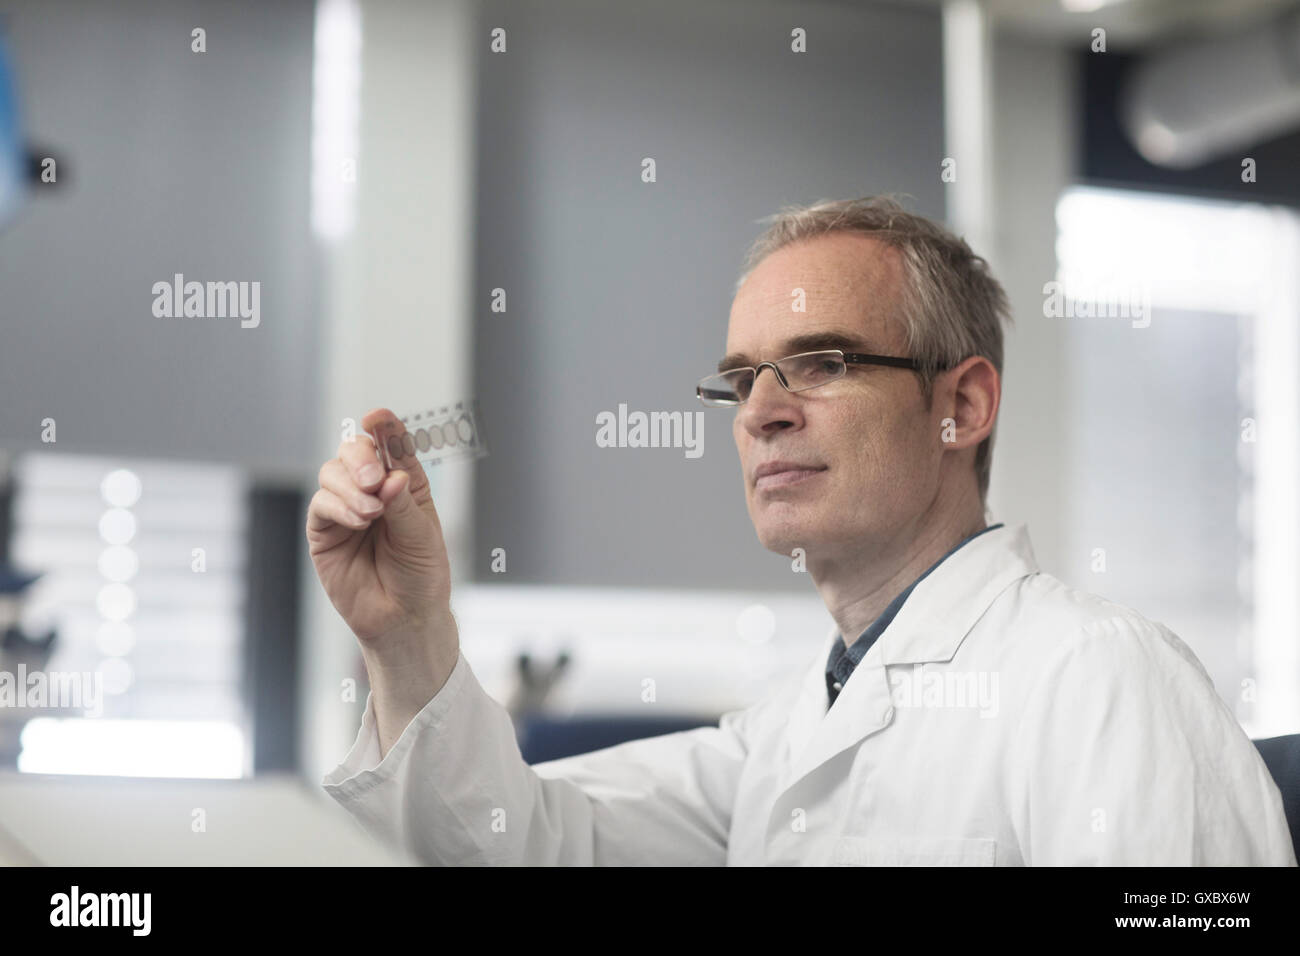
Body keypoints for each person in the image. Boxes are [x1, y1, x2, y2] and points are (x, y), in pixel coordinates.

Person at [308, 196, 1295, 866]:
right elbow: (510, 838)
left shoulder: (1099, 676)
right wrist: (406, 634)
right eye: (742, 379)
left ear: (960, 405)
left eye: (823, 363)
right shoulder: (781, 739)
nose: (760, 412)